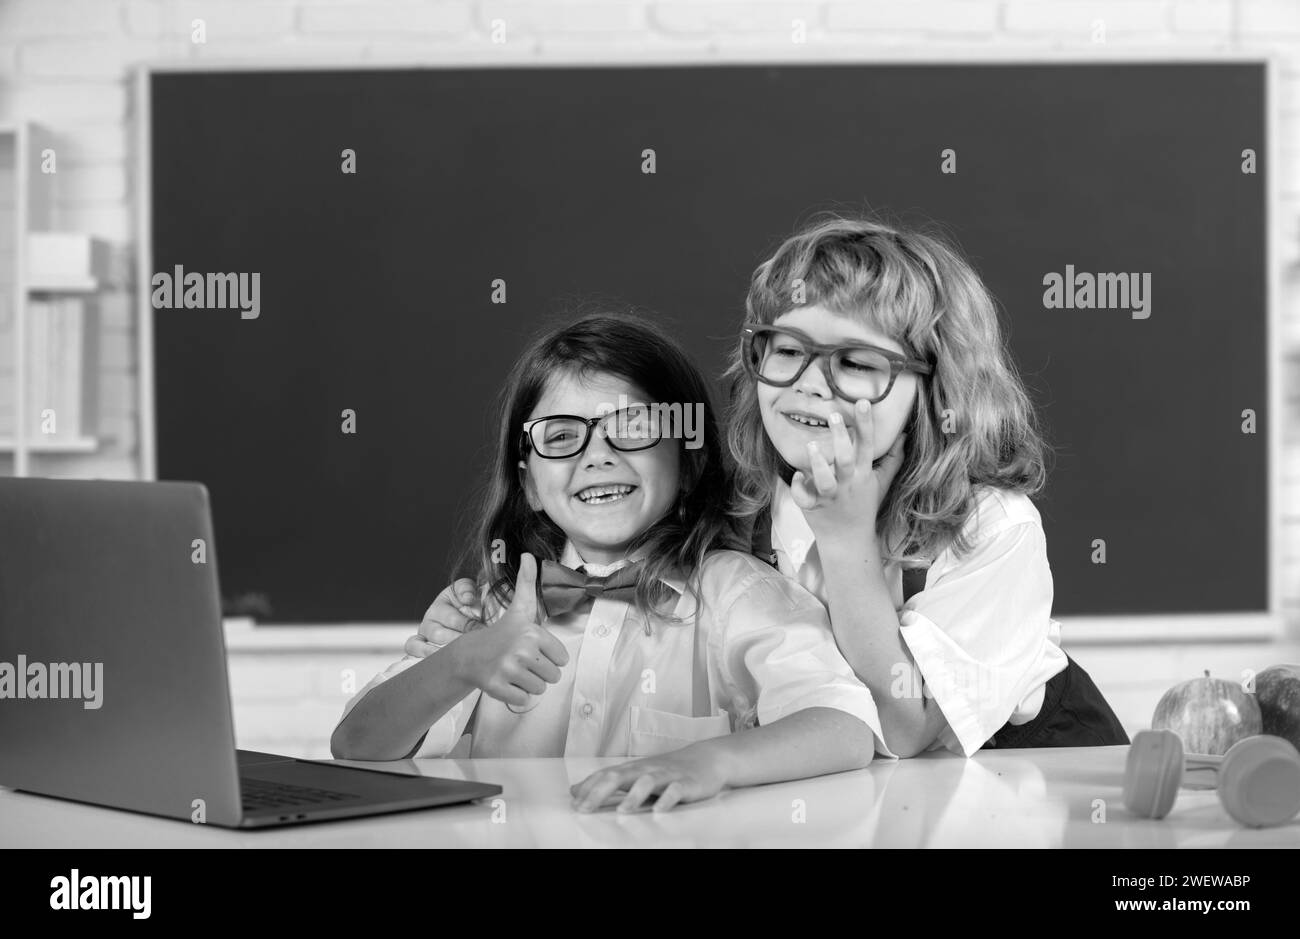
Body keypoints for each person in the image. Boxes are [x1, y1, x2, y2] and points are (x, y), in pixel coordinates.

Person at [416, 214, 1129, 758]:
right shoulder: (749, 509)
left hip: (1026, 785)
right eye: (788, 349)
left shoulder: (992, 528)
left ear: (935, 382)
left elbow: (908, 727)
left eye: (855, 360)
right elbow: (621, 575)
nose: (812, 383)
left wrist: (847, 541)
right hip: (861, 798)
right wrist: (474, 619)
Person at [331, 313, 889, 813]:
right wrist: (459, 662)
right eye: (562, 436)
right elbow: (358, 745)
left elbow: (843, 725)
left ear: (689, 463)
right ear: (528, 484)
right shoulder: (495, 609)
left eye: (634, 427)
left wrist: (707, 763)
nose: (597, 455)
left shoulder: (737, 595)